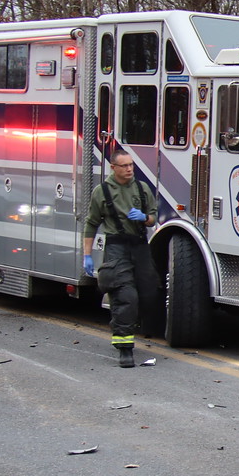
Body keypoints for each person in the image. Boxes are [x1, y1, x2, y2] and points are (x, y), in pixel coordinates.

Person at [82, 152, 161, 367]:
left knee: (148, 294)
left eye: (131, 165)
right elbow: (91, 224)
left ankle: (130, 328)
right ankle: (125, 348)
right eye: (124, 165)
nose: (129, 169)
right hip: (117, 247)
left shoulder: (142, 189)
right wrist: (87, 255)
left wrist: (145, 218)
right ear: (113, 167)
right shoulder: (102, 192)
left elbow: (153, 216)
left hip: (140, 246)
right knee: (126, 296)